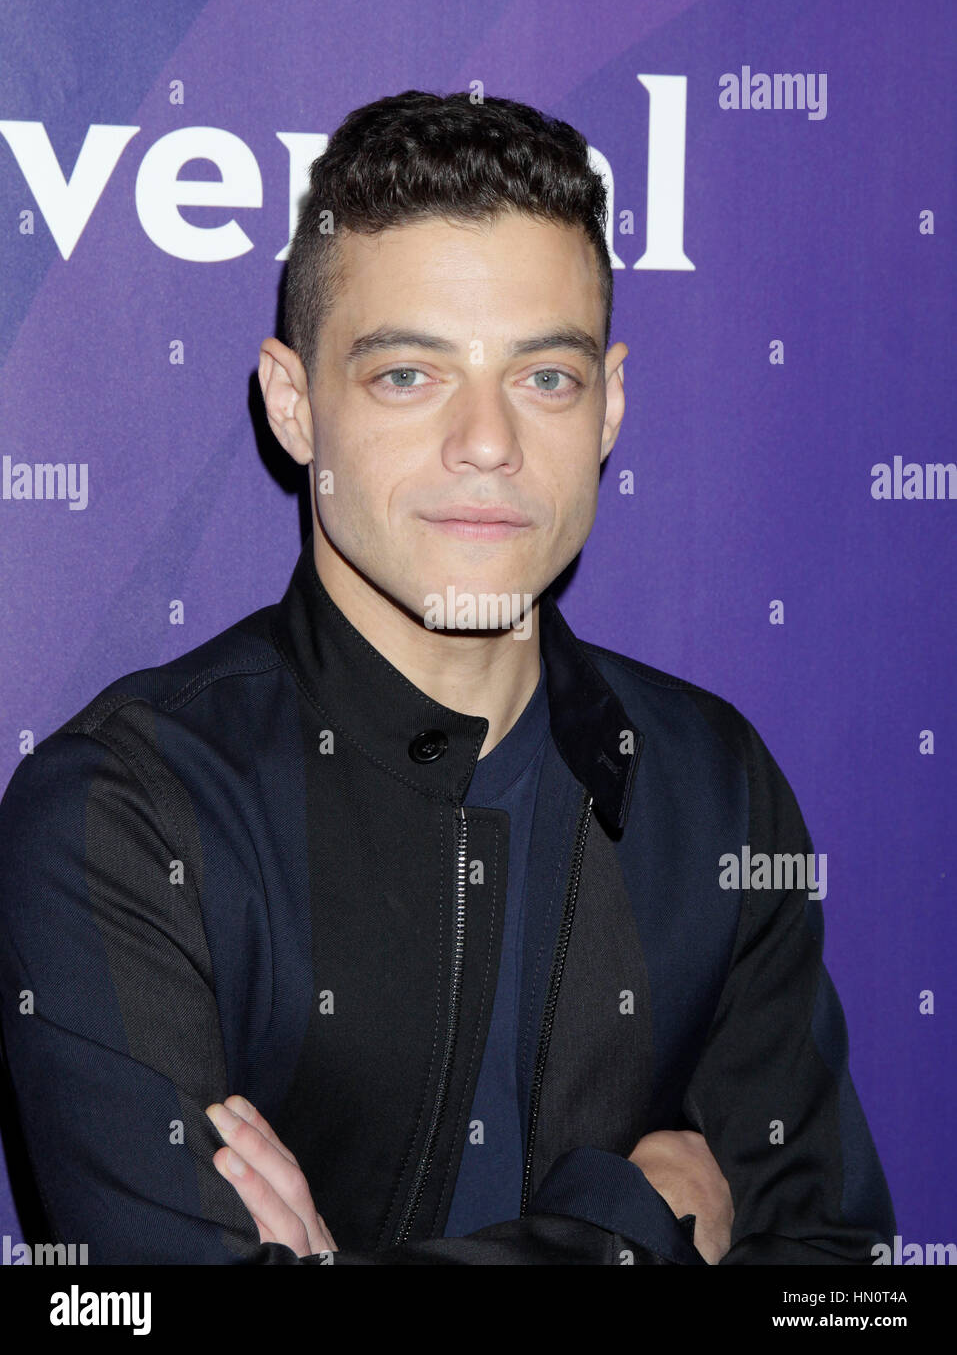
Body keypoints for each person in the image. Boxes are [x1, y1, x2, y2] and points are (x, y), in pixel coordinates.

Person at [0, 90, 894, 1266]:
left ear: (611, 402)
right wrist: (628, 1233)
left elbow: (838, 1285)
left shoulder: (713, 782)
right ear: (291, 402)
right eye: (409, 375)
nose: (488, 441)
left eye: (546, 378)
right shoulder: (122, 812)